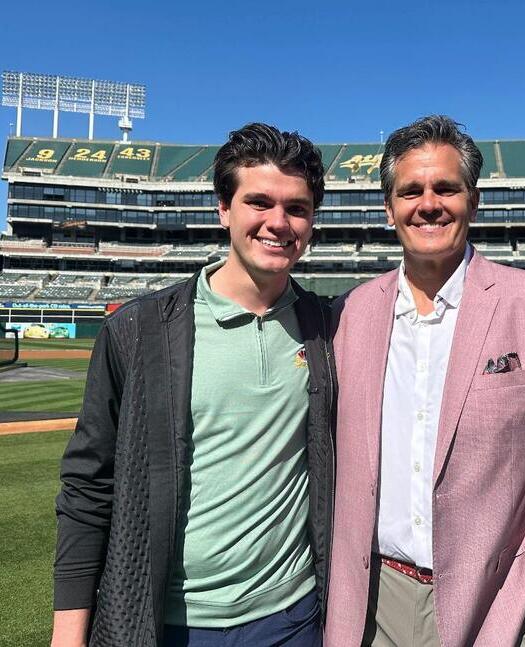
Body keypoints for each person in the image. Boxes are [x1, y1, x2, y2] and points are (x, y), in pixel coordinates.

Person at [326, 115, 525, 647]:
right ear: (390, 209)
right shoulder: (352, 313)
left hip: (491, 602)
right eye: (410, 191)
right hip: (368, 600)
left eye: (445, 188)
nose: (427, 203)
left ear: (472, 202)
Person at [51, 124, 335, 647]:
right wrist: (67, 638)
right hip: (167, 623)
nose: (279, 222)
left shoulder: (328, 329)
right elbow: (88, 489)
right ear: (223, 209)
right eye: (259, 202)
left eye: (296, 207)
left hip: (292, 617)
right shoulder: (138, 331)